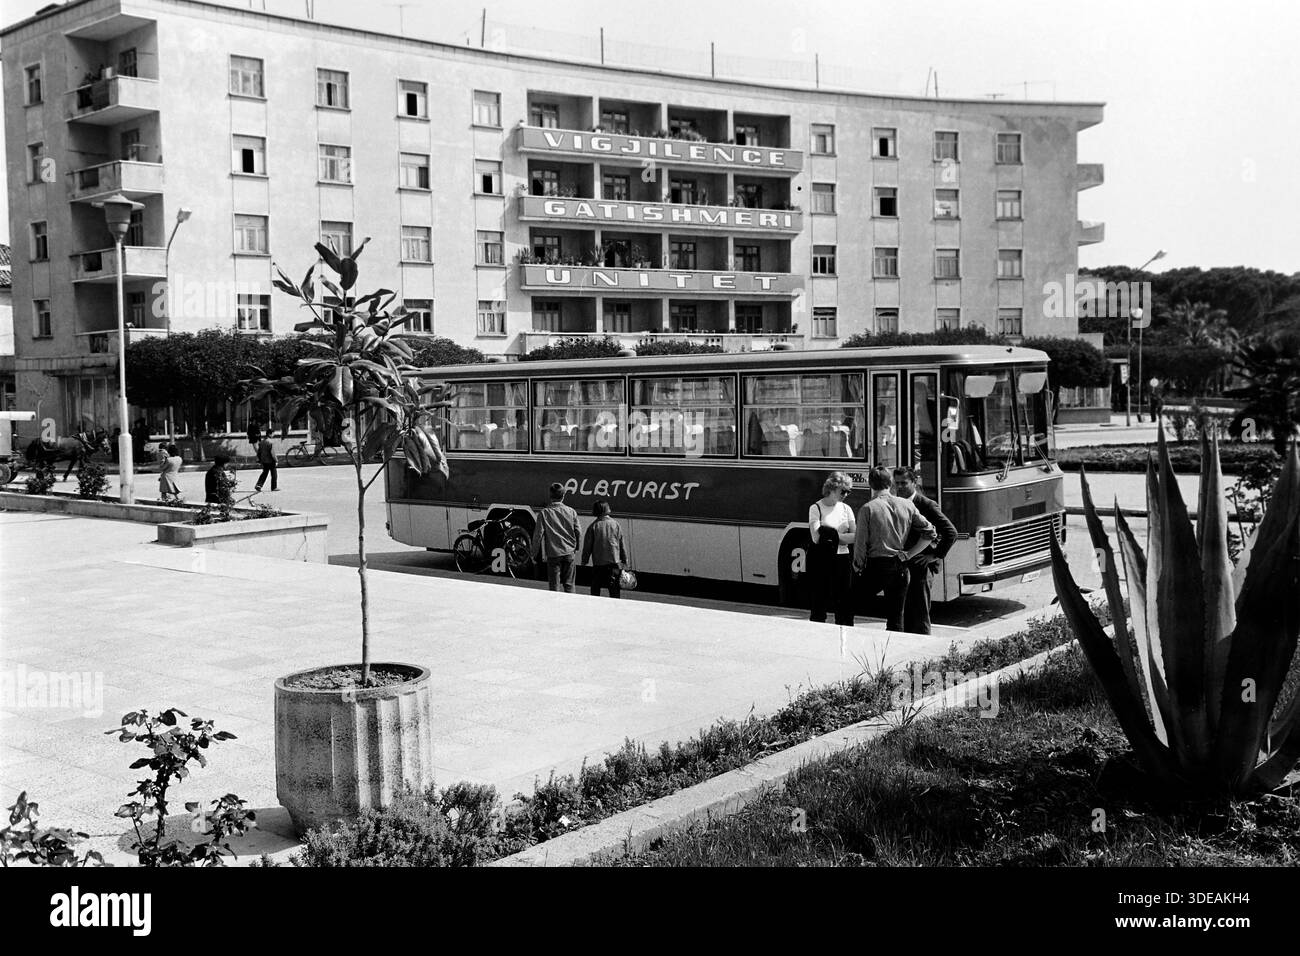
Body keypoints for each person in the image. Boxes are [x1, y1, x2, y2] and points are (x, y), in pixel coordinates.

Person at [851, 465, 937, 633]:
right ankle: (894, 645)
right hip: (900, 566)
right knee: (896, 617)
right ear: (890, 483)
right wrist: (909, 554)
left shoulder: (868, 508)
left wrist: (858, 567)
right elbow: (930, 533)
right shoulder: (907, 505)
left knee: (849, 604)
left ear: (870, 484)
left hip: (876, 566)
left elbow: (860, 544)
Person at [892, 466, 958, 635]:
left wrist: (935, 555)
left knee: (920, 614)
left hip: (920, 568)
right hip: (903, 566)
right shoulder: (896, 503)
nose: (900, 487)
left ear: (914, 482)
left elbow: (951, 533)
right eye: (897, 483)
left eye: (904, 483)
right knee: (905, 614)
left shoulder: (926, 505)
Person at [808, 471, 857, 625]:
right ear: (832, 488)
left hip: (843, 559)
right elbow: (816, 538)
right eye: (843, 491)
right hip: (822, 559)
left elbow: (856, 536)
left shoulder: (847, 509)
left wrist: (831, 534)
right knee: (819, 601)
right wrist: (842, 536)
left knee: (844, 602)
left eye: (848, 491)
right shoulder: (816, 508)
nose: (846, 495)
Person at [531, 482, 582, 592]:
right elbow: (578, 531)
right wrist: (576, 547)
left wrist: (534, 554)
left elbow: (538, 536)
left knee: (554, 586)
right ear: (563, 496)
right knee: (569, 585)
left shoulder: (544, 513)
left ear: (550, 496)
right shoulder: (571, 511)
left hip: (553, 553)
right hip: (569, 552)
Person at [581, 500, 628, 598]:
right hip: (614, 563)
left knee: (595, 588)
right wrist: (624, 559)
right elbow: (621, 543)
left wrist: (584, 560)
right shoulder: (616, 524)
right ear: (607, 510)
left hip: (599, 563)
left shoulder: (593, 526)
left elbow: (587, 546)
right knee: (614, 590)